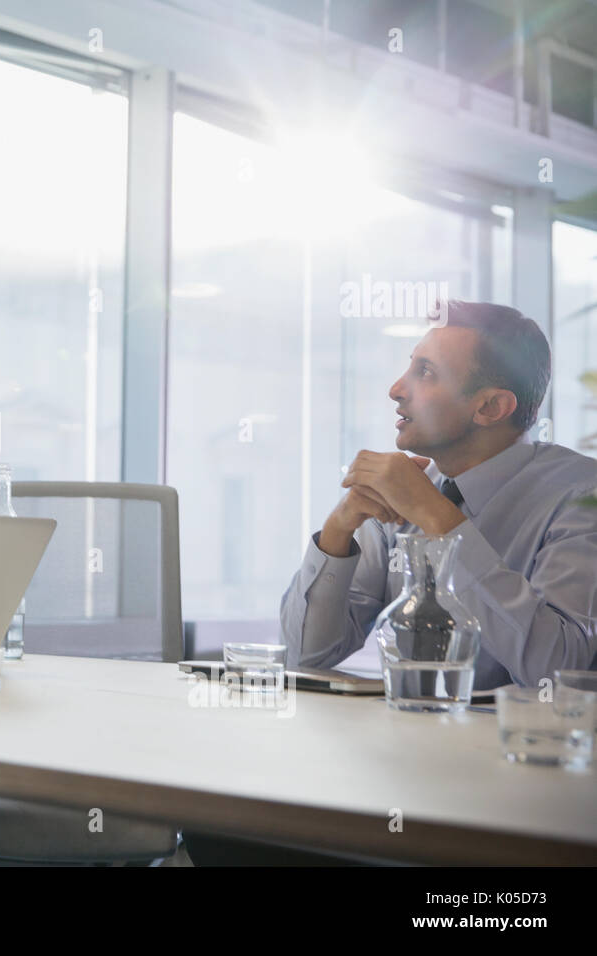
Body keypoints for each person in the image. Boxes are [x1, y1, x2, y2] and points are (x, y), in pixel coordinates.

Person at [186, 300, 597, 867]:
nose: (396, 389)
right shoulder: (413, 487)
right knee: (220, 833)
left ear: (492, 407)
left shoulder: (580, 496)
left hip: (519, 800)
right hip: (395, 770)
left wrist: (439, 520)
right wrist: (338, 530)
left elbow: (559, 666)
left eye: (425, 373)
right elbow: (311, 653)